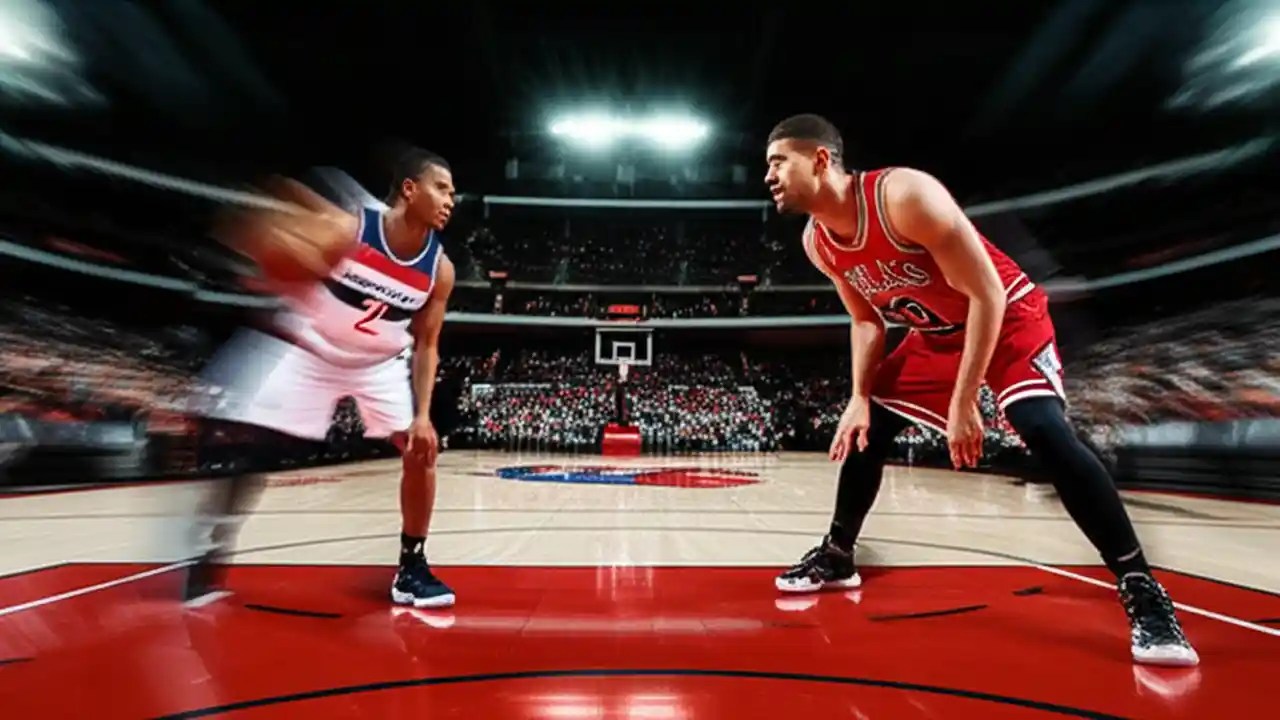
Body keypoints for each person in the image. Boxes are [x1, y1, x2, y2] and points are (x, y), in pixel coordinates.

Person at [762, 114, 1198, 667]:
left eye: (779, 161)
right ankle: (838, 554)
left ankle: (1142, 588)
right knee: (867, 428)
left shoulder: (905, 196)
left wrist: (964, 402)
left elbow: (987, 294)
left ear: (820, 160)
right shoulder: (817, 242)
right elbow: (868, 321)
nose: (769, 175)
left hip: (1007, 314)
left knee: (1043, 429)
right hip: (937, 335)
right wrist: (857, 397)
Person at [187, 147, 457, 609]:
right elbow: (277, 256)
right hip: (312, 350)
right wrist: (275, 250)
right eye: (442, 188)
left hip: (378, 363)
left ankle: (412, 567)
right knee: (250, 445)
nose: (452, 199)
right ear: (410, 190)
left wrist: (424, 416)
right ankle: (210, 548)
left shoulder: (440, 269)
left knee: (420, 452)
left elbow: (427, 345)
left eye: (453, 192)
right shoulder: (349, 230)